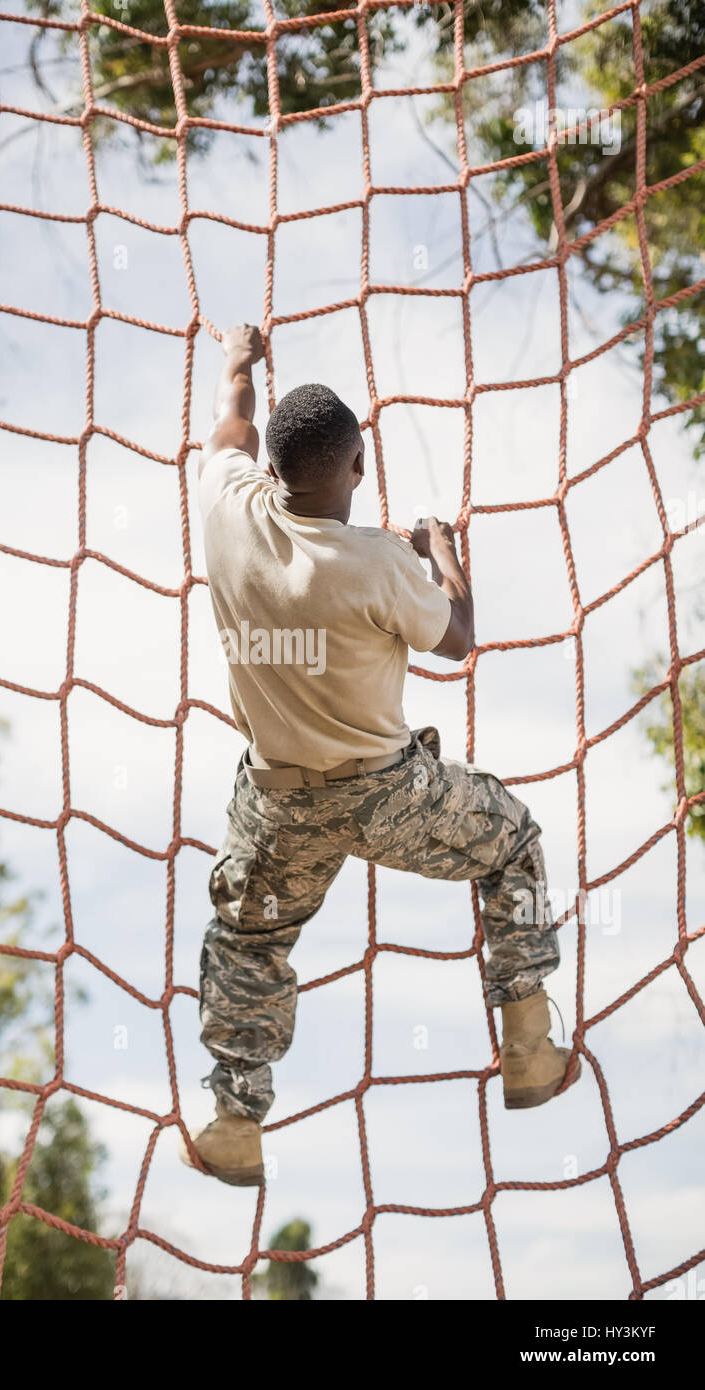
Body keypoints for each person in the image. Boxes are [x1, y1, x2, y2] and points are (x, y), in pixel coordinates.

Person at [180, 323, 579, 1187]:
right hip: (388, 794)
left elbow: (230, 423)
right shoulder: (382, 563)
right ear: (356, 470)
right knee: (510, 843)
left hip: (278, 803)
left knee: (248, 944)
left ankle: (235, 1124)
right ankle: (529, 1050)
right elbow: (460, 638)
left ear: (274, 472)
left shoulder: (224, 508)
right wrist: (440, 550)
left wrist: (240, 359)